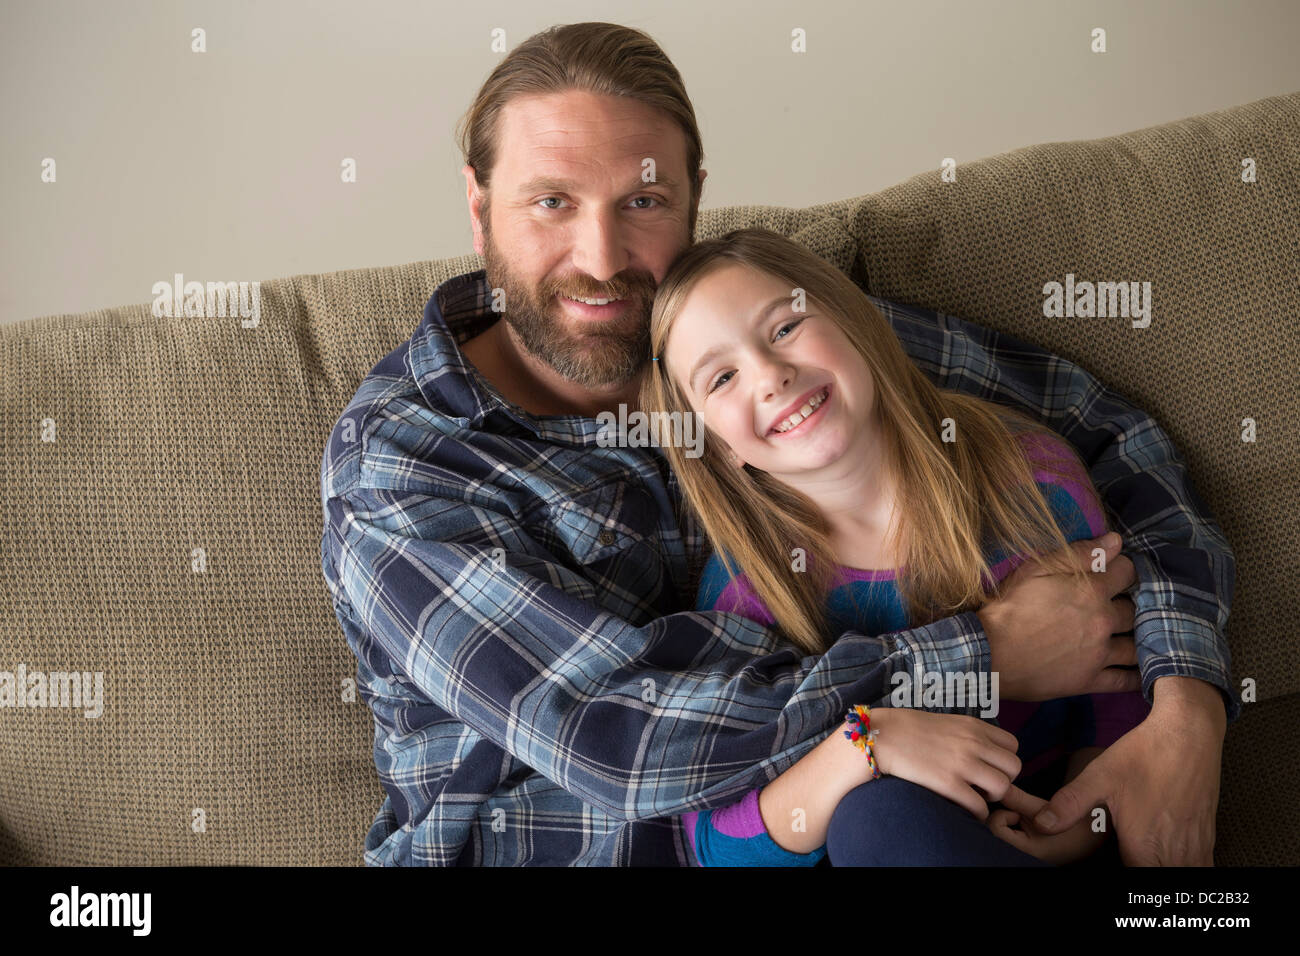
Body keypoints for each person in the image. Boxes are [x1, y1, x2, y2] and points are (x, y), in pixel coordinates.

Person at [318, 22, 1237, 866]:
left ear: (693, 199)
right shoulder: (408, 466)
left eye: (642, 199)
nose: (601, 258)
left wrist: (1185, 704)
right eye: (551, 202)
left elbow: (1110, 433)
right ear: (478, 209)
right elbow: (616, 733)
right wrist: (979, 656)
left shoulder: (765, 332)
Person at [643, 227, 1153, 865]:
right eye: (721, 378)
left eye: (783, 329)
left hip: (1059, 832)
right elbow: (717, 844)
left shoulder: (1029, 480)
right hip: (894, 844)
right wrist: (867, 744)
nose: (770, 375)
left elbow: (1121, 678)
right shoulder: (750, 594)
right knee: (876, 815)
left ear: (854, 322)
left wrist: (1082, 821)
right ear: (719, 448)